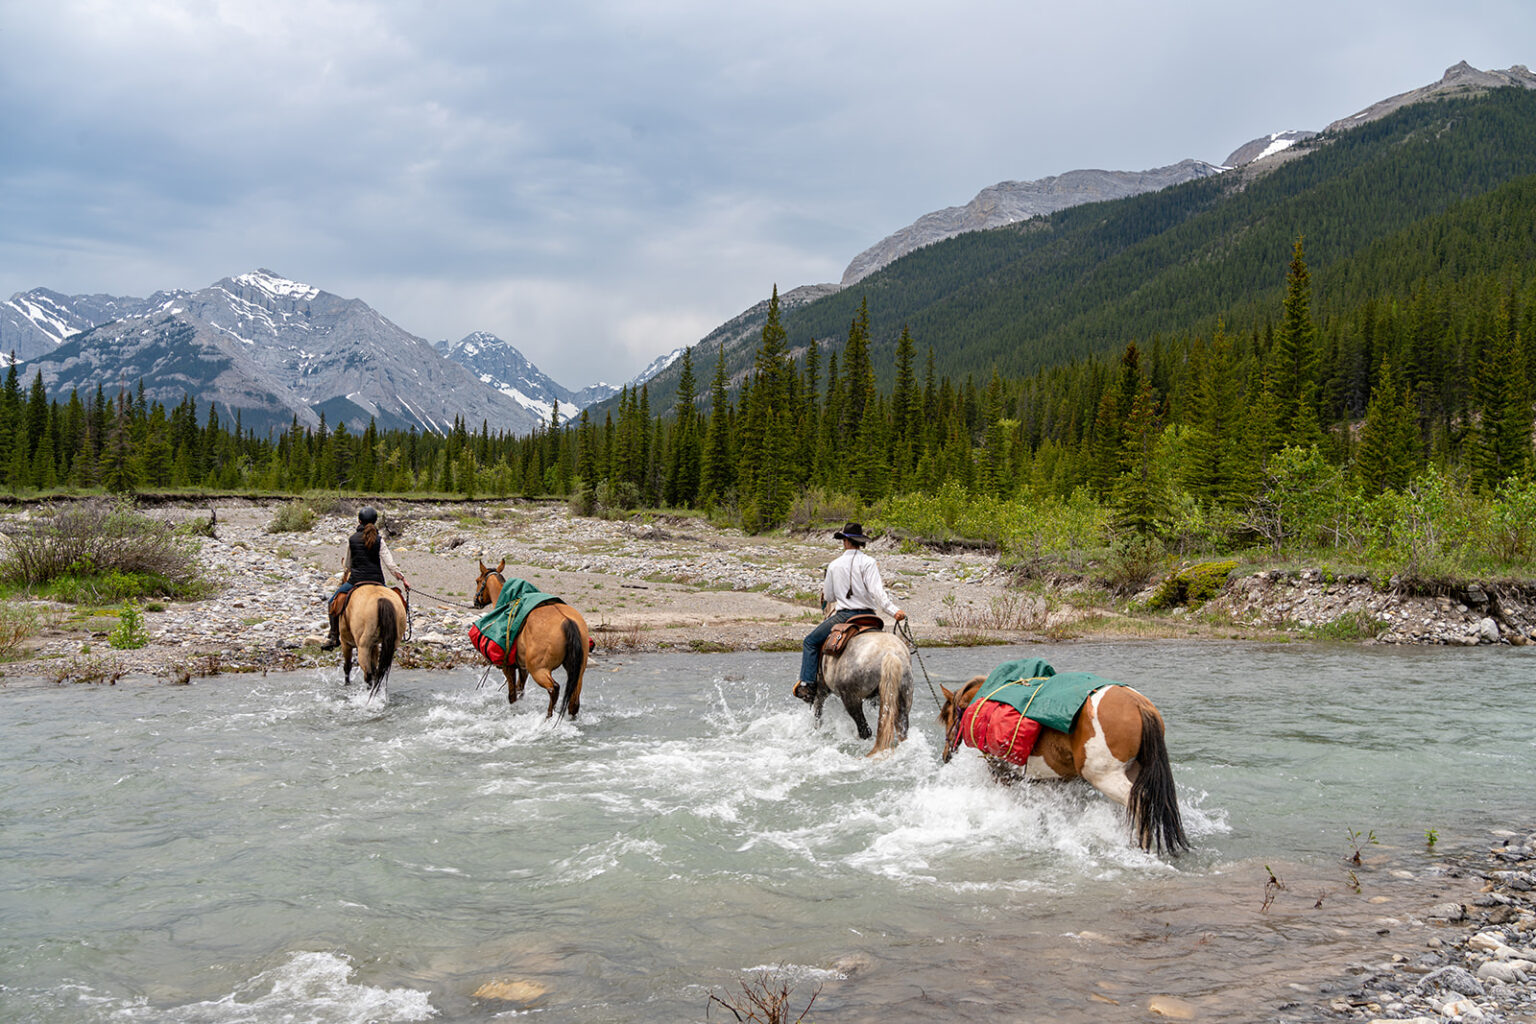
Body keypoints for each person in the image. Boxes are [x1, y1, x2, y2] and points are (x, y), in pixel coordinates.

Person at [793, 522, 906, 703]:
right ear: (860, 542)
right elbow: (878, 593)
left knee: (810, 642)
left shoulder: (834, 565)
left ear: (845, 541)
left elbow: (829, 596)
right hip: (870, 616)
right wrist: (894, 612)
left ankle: (808, 685)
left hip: (845, 616)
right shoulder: (869, 562)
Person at [320, 506, 409, 651]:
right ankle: (399, 631)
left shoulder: (352, 539)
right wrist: (402, 579)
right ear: (375, 521)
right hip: (377, 581)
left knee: (332, 603)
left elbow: (348, 564)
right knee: (399, 602)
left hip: (356, 580)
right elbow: (390, 564)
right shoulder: (379, 540)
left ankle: (334, 636)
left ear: (359, 521)